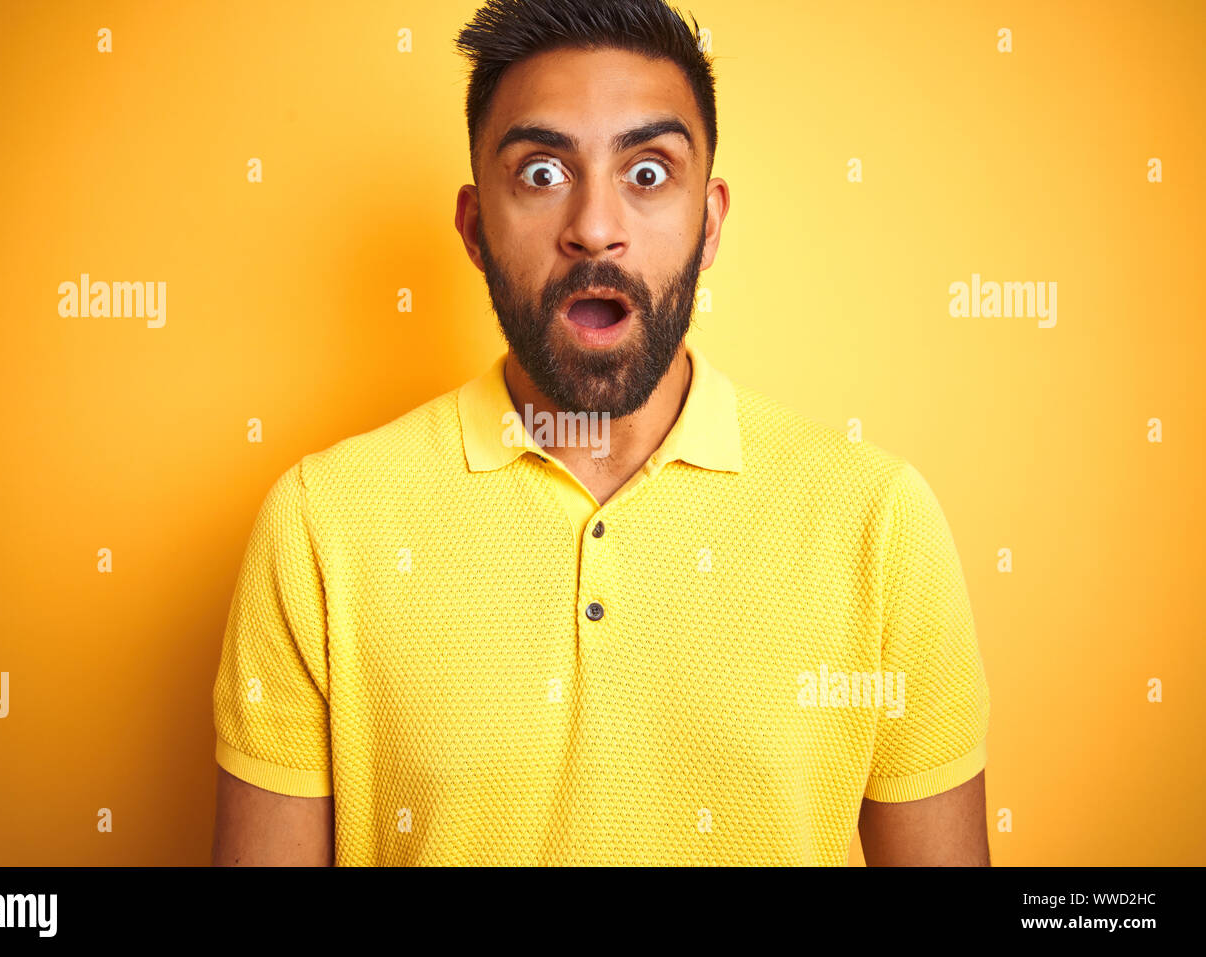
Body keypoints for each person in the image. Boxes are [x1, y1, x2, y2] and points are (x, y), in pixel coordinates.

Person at [211, 0, 991, 866]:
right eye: (542, 173)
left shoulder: (879, 525)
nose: (593, 225)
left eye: (648, 173)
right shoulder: (321, 524)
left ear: (712, 221)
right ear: (474, 228)